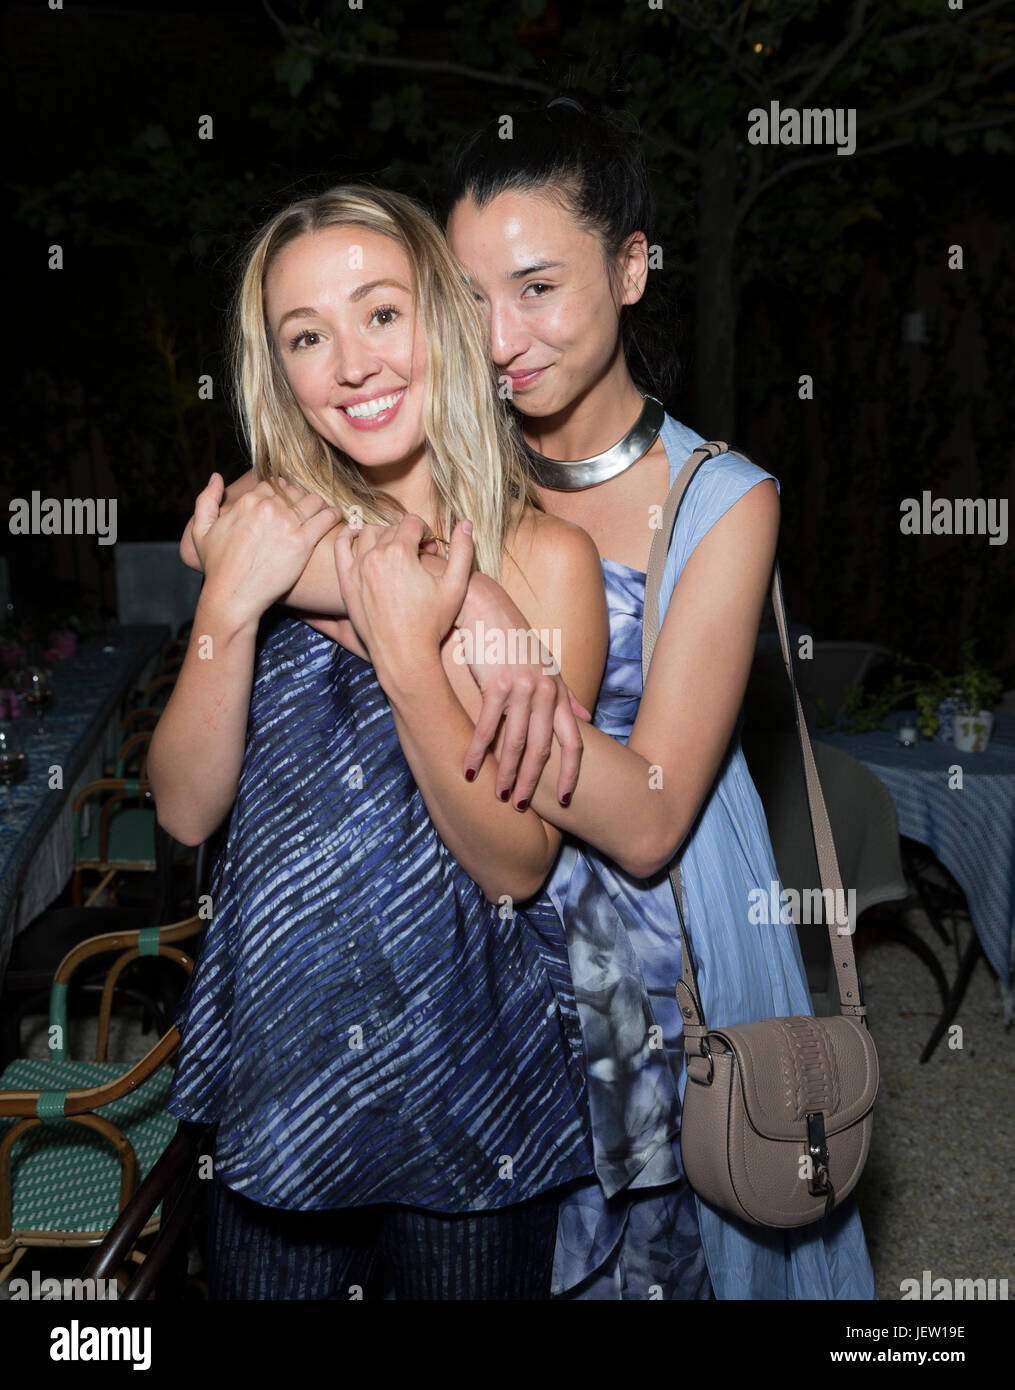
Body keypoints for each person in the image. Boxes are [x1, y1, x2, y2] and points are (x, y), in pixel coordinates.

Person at [150, 183, 609, 1300]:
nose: (351, 363)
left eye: (381, 314)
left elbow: (516, 862)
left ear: (441, 325)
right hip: (284, 1069)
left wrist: (414, 651)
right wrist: (223, 612)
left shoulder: (547, 563)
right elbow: (182, 808)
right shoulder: (266, 524)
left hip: (472, 1078)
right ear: (280, 372)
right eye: (307, 335)